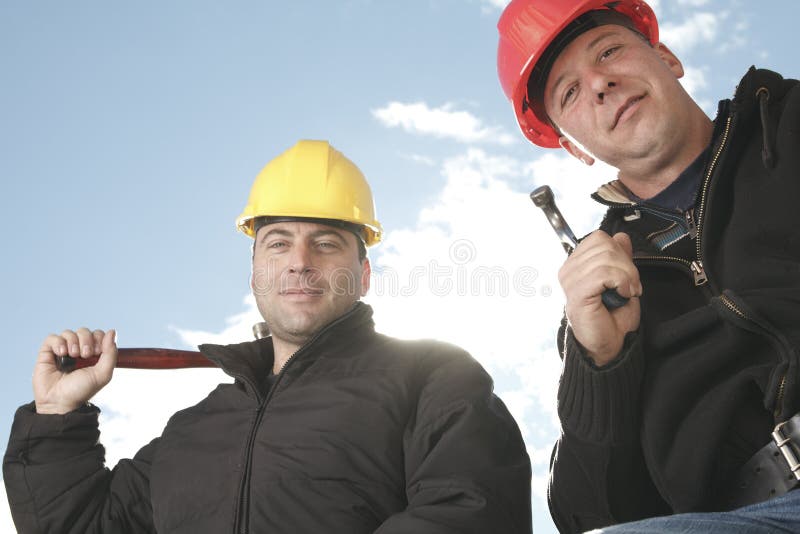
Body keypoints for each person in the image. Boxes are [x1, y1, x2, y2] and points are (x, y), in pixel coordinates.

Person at [3, 140, 533, 533]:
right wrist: (56, 417)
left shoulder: (434, 378)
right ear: (255, 272)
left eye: (326, 243)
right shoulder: (191, 431)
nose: (300, 262)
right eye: (278, 243)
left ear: (364, 275)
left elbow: (471, 515)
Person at [497, 1, 800, 532]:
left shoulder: (789, 122)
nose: (599, 84)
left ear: (667, 58)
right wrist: (601, 365)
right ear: (574, 149)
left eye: (608, 52)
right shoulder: (601, 302)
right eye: (570, 92)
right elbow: (589, 516)